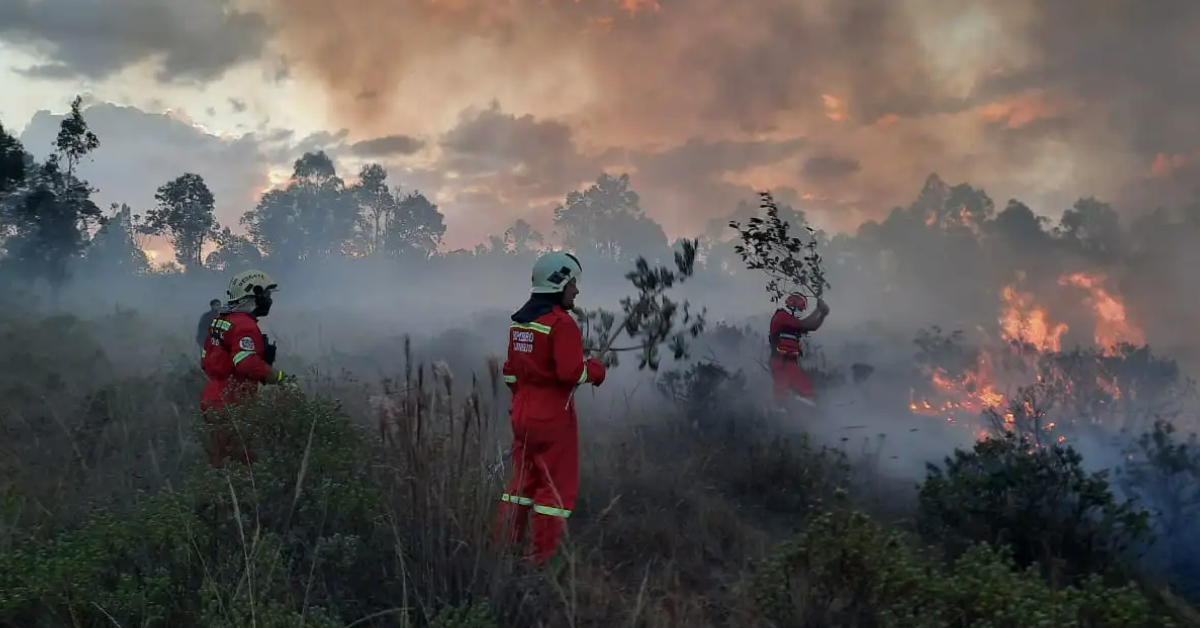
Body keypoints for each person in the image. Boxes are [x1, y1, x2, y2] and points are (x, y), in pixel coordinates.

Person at [495, 251, 607, 567]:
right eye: (573, 283)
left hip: (522, 415)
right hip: (553, 419)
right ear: (559, 282)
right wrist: (596, 371)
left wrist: (523, 400)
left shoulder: (519, 325)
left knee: (520, 486)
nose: (576, 290)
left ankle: (503, 549)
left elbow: (509, 372)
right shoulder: (562, 324)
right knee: (553, 491)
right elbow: (570, 372)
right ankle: (538, 561)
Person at [199, 269, 291, 466]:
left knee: (221, 458)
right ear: (253, 294)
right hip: (232, 402)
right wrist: (279, 377)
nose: (269, 300)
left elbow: (206, 359)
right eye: (266, 295)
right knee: (241, 462)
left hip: (213, 397)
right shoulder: (245, 325)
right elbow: (246, 362)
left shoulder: (221, 320)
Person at [768, 292, 830, 408]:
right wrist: (818, 310)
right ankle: (782, 418)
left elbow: (813, 326)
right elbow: (805, 324)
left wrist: (822, 315)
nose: (800, 312)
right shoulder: (782, 316)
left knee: (802, 391)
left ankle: (798, 417)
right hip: (780, 362)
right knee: (787, 394)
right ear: (792, 305)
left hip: (790, 363)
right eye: (799, 309)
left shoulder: (793, 325)